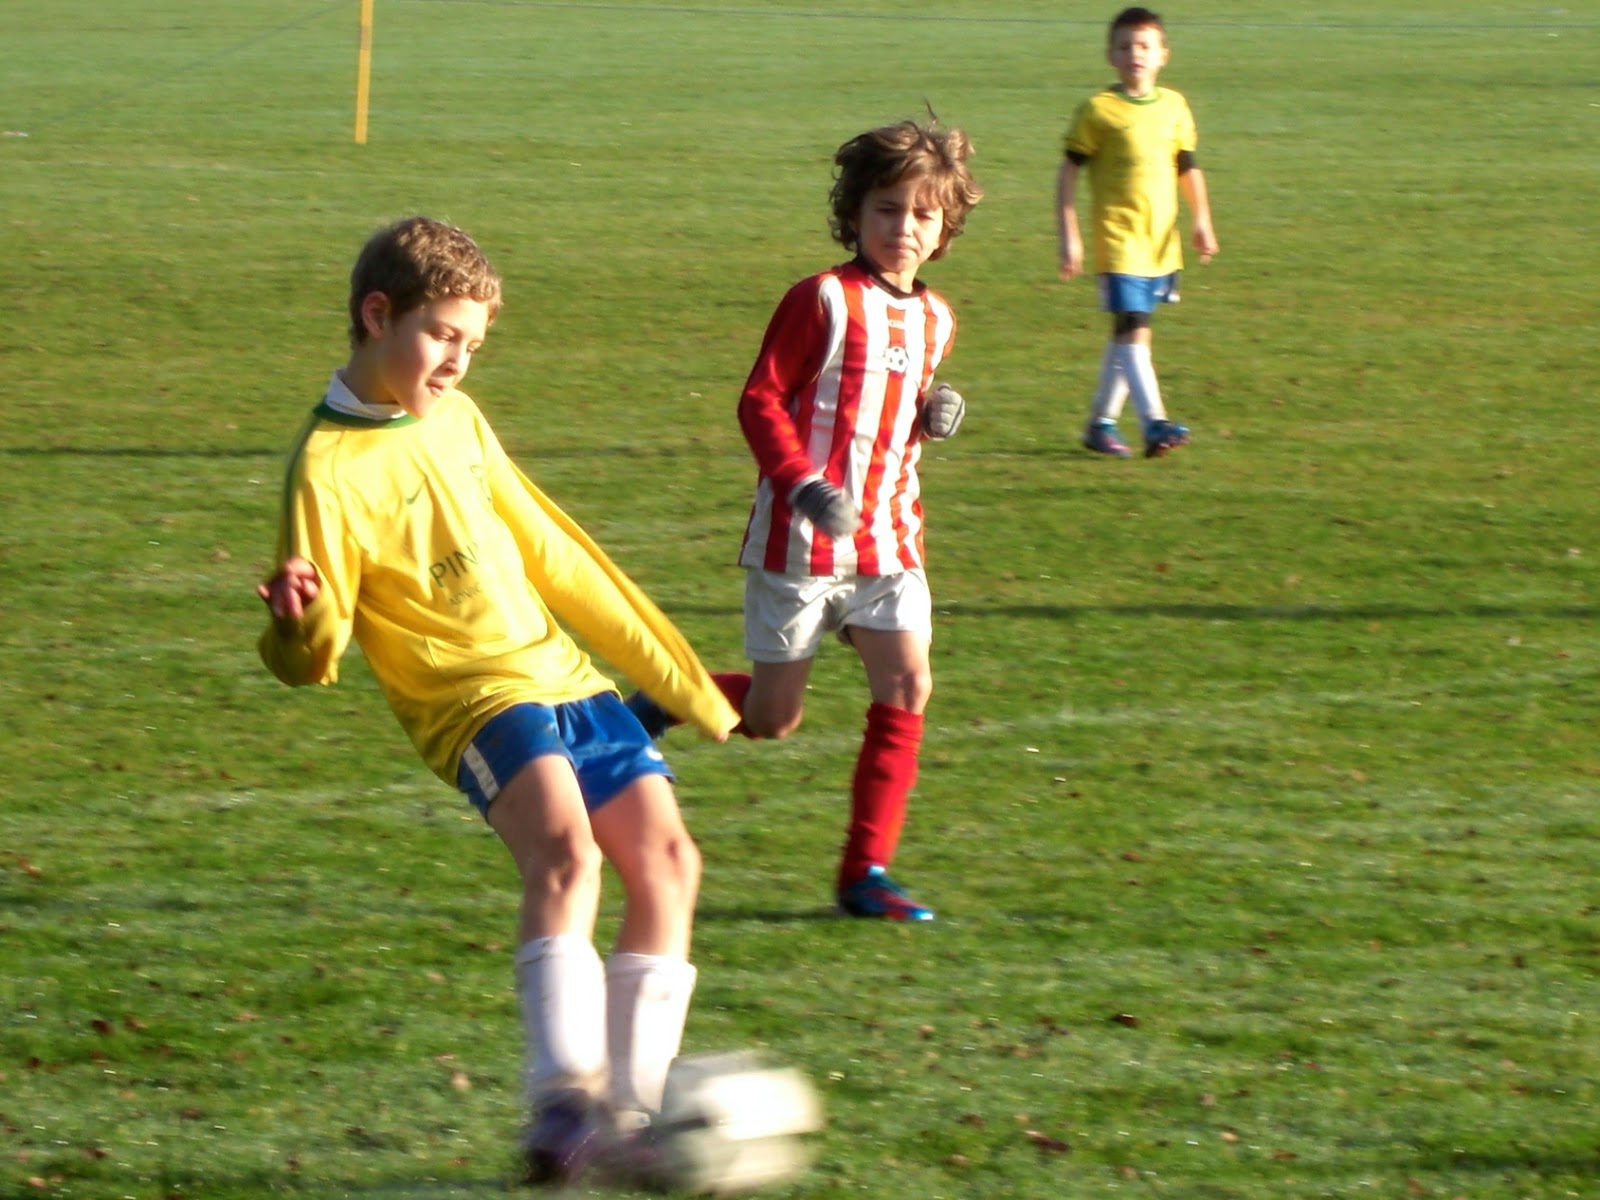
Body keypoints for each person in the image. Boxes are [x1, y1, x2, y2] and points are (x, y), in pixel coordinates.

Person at [255, 215, 739, 1185]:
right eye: (442, 336)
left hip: (562, 677)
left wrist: (686, 684)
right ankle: (564, 1103)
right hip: (470, 697)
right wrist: (298, 624)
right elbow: (312, 659)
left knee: (670, 862)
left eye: (472, 346)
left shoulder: (459, 422)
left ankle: (630, 1119)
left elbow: (554, 554)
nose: (456, 364)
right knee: (564, 850)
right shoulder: (326, 467)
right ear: (376, 314)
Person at [630, 119, 982, 923]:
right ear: (854, 214)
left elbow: (890, 408)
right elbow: (760, 399)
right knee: (771, 718)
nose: (904, 229)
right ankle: (652, 706)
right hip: (802, 543)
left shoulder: (937, 319)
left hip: (890, 537)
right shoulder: (821, 299)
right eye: (888, 210)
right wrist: (800, 485)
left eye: (924, 215)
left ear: (946, 227)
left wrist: (935, 412)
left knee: (909, 683)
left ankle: (866, 873)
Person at [1056, 5, 1219, 458]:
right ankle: (1155, 424)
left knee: (1132, 336)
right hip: (1118, 240)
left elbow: (1187, 167)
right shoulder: (1098, 110)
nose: (1135, 55)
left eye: (1145, 46)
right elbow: (1068, 173)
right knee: (1133, 326)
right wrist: (1070, 232)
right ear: (1110, 54)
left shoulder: (1173, 107)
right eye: (1125, 46)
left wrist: (1201, 220)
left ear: (1163, 54)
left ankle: (1100, 424)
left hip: (1159, 243)